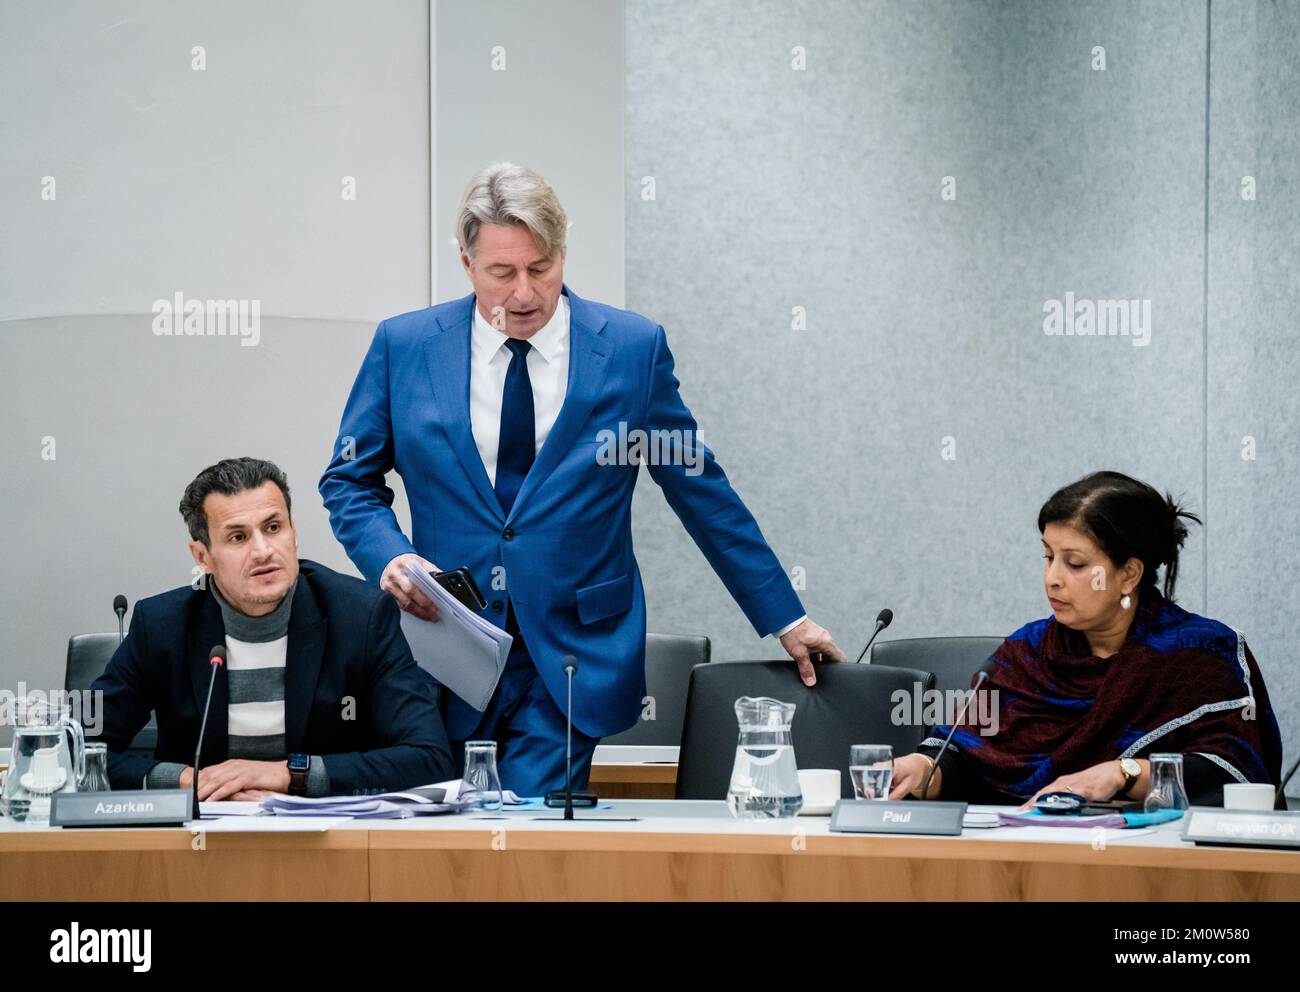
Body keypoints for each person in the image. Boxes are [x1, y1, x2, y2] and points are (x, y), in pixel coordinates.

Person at [319, 162, 845, 796]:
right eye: (501, 273)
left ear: (563, 252)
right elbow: (349, 479)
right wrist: (393, 557)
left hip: (569, 656)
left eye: (540, 269)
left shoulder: (631, 349)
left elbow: (702, 491)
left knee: (528, 842)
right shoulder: (404, 346)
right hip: (444, 648)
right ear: (465, 263)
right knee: (445, 851)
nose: (523, 293)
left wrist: (785, 616)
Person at [888, 471, 1283, 808]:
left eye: (1074, 563)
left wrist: (1124, 773)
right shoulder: (1027, 652)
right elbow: (975, 763)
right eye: (1048, 557)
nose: (1052, 578)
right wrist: (927, 770)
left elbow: (1236, 775)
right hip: (1023, 863)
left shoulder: (1202, 653)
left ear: (1129, 574)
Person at [91, 457, 453, 799]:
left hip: (326, 844)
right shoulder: (162, 625)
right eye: (238, 537)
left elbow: (429, 759)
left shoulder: (361, 616)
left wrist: (291, 773)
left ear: (294, 533)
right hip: (201, 846)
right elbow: (81, 749)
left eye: (273, 527)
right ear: (202, 557)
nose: (263, 551)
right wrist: (184, 779)